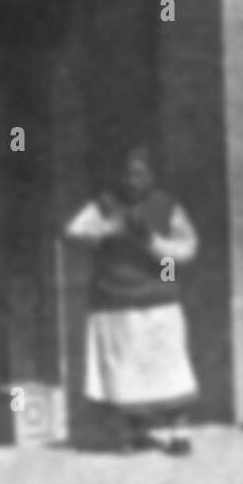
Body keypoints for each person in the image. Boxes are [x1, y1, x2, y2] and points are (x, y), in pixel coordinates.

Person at [65, 146, 199, 456]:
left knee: (168, 367)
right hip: (115, 298)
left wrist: (150, 239)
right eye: (127, 173)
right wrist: (110, 229)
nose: (133, 180)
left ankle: (180, 433)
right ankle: (132, 431)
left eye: (140, 174)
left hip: (159, 298)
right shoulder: (106, 202)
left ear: (153, 175)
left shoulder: (166, 205)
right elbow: (74, 231)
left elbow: (186, 248)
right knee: (124, 370)